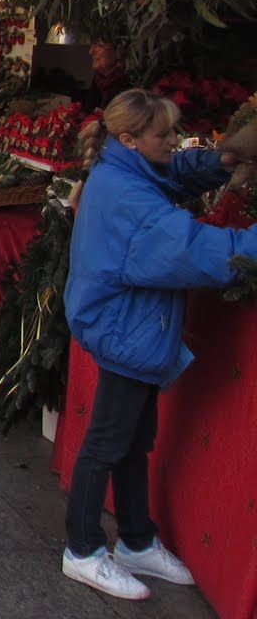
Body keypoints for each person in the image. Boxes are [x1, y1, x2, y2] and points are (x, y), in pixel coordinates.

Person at [59, 89, 256, 601]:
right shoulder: (131, 200)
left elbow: (177, 171)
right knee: (106, 442)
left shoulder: (124, 166)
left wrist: (226, 157)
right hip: (127, 329)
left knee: (133, 437)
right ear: (130, 139)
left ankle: (137, 540)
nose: (173, 141)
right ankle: (82, 550)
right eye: (163, 134)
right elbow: (201, 250)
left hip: (132, 325)